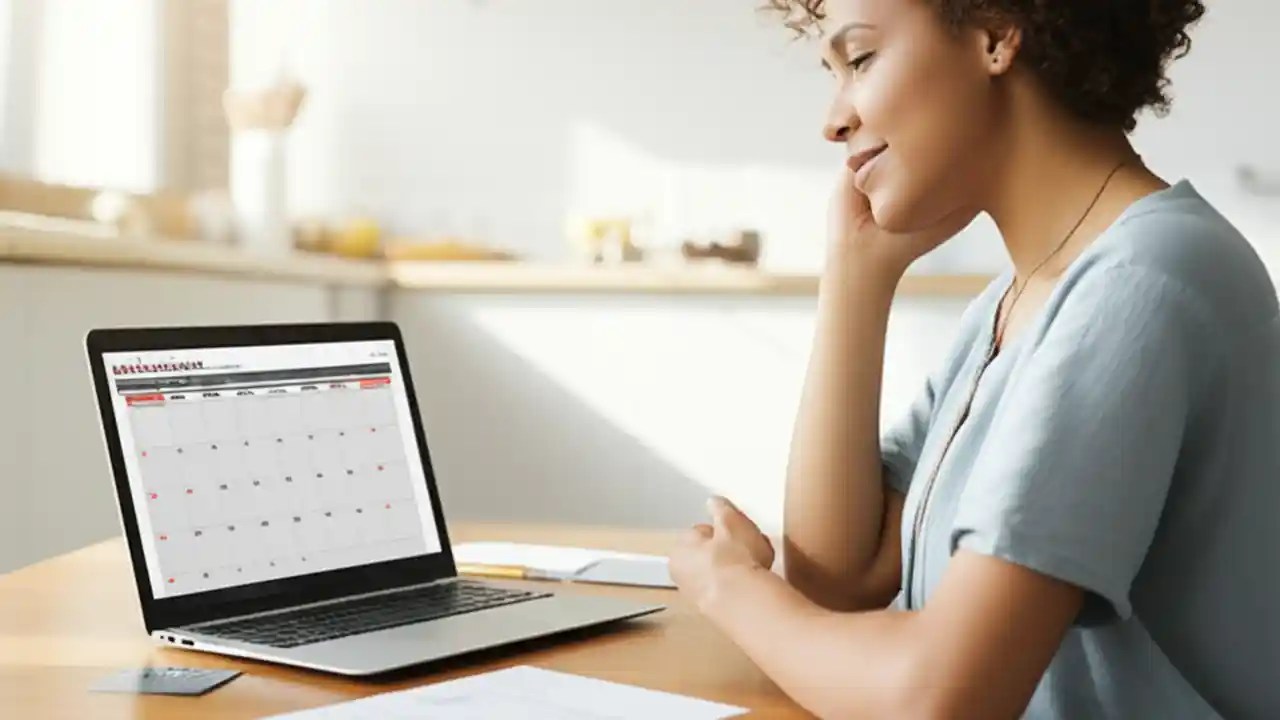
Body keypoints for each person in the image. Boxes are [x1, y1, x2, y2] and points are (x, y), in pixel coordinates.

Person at [666, 0, 1280, 717]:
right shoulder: (1017, 300)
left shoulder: (1143, 282)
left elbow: (944, 699)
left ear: (994, 33)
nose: (833, 120)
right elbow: (840, 576)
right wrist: (857, 277)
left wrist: (728, 588)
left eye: (860, 60)